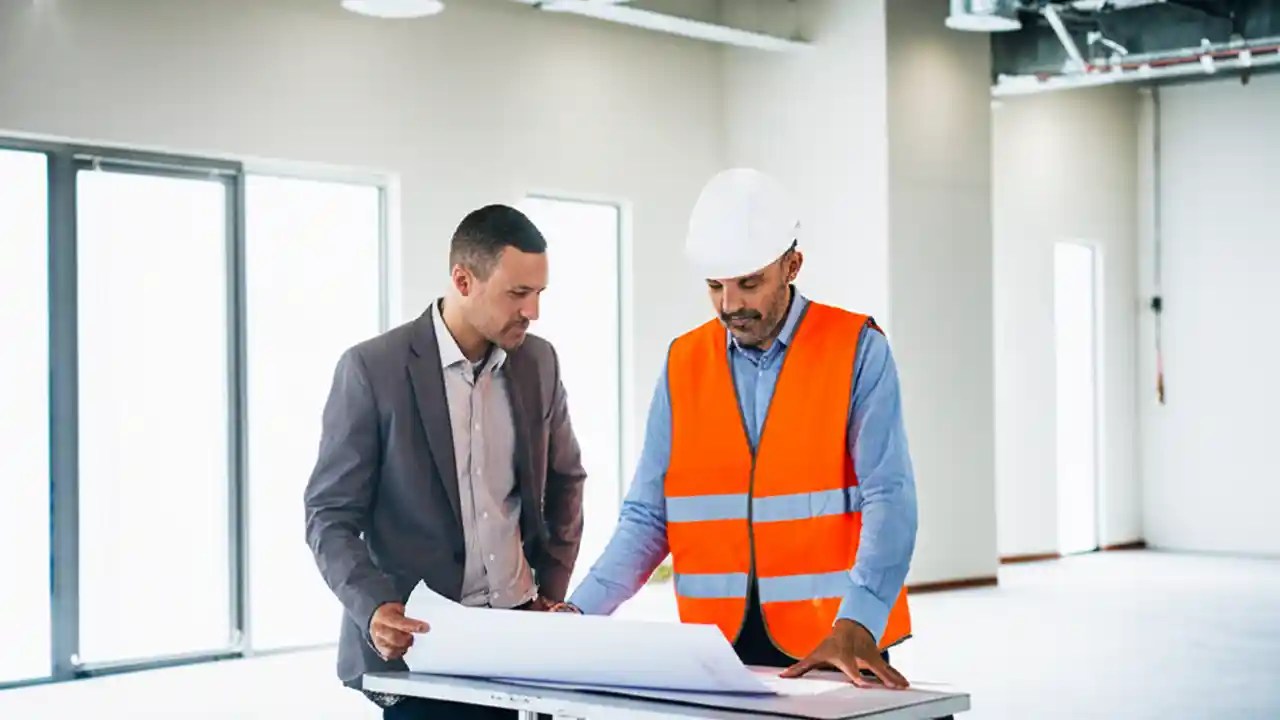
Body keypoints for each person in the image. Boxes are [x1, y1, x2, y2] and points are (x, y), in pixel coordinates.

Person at [561, 168, 918, 690]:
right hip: (718, 646)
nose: (730, 305)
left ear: (792, 265)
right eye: (715, 287)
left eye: (749, 283)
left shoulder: (857, 349)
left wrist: (860, 619)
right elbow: (648, 516)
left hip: (837, 642)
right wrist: (580, 615)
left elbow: (890, 497)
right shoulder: (684, 362)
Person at [304, 204, 587, 719]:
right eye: (518, 293)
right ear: (463, 279)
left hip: (523, 637)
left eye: (539, 293)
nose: (533, 311)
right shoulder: (373, 370)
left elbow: (567, 480)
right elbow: (329, 515)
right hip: (424, 649)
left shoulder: (539, 362)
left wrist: (550, 590)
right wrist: (374, 608)